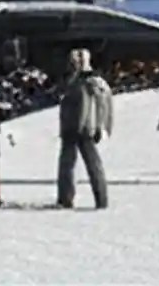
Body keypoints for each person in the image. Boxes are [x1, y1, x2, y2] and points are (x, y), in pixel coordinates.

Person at [57, 48, 112, 209]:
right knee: (93, 164)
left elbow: (84, 106)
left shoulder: (81, 83)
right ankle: (101, 199)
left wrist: (77, 127)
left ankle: (66, 198)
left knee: (69, 164)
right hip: (85, 128)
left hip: (76, 129)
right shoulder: (93, 82)